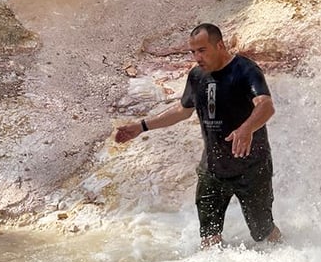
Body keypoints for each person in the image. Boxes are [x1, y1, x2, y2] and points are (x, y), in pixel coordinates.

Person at [115, 23, 282, 248]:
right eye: (193, 52)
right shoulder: (196, 76)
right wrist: (142, 126)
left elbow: (265, 106)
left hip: (252, 169)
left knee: (264, 234)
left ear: (220, 45)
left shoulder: (245, 70)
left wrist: (246, 129)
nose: (197, 57)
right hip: (212, 170)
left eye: (202, 50)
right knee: (209, 241)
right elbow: (182, 111)